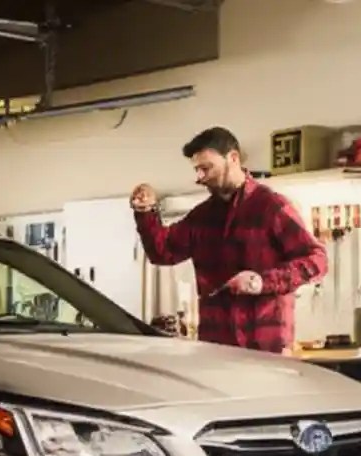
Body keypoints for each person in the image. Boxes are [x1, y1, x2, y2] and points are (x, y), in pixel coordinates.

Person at [130, 126, 327, 355]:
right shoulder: (201, 217)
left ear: (233, 158)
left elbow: (317, 260)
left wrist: (262, 282)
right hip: (216, 350)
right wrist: (145, 212)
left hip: (266, 350)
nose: (200, 178)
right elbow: (162, 252)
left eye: (206, 168)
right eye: (197, 170)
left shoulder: (272, 207)